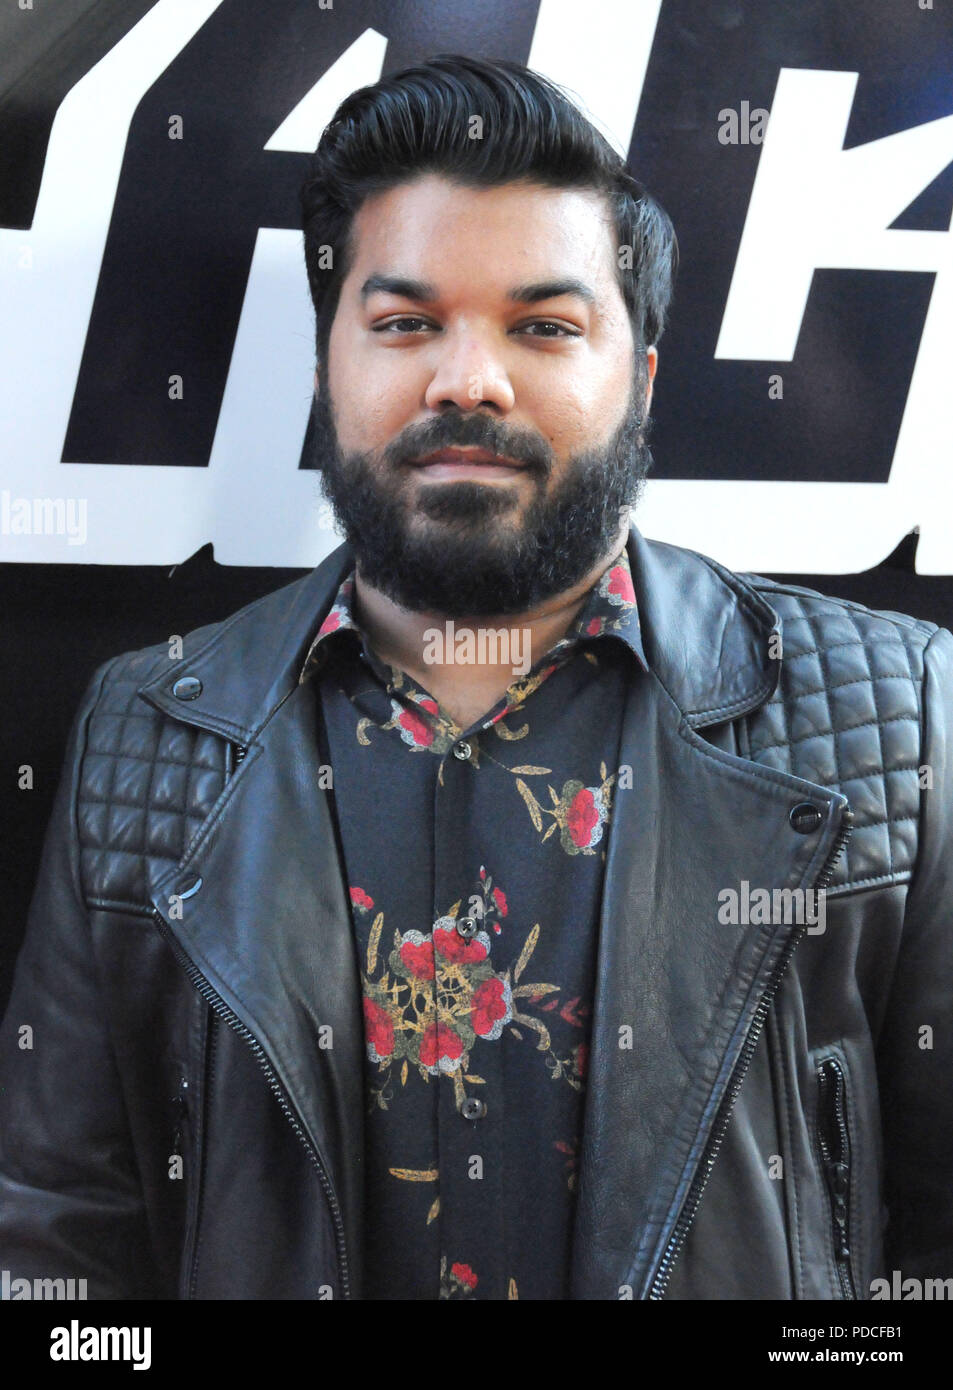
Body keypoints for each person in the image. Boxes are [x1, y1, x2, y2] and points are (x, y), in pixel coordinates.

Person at [1, 53, 951, 1302]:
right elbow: (60, 1238)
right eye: (403, 323)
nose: (467, 380)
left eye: (542, 326)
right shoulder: (153, 724)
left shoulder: (888, 714)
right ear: (328, 363)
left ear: (642, 378)